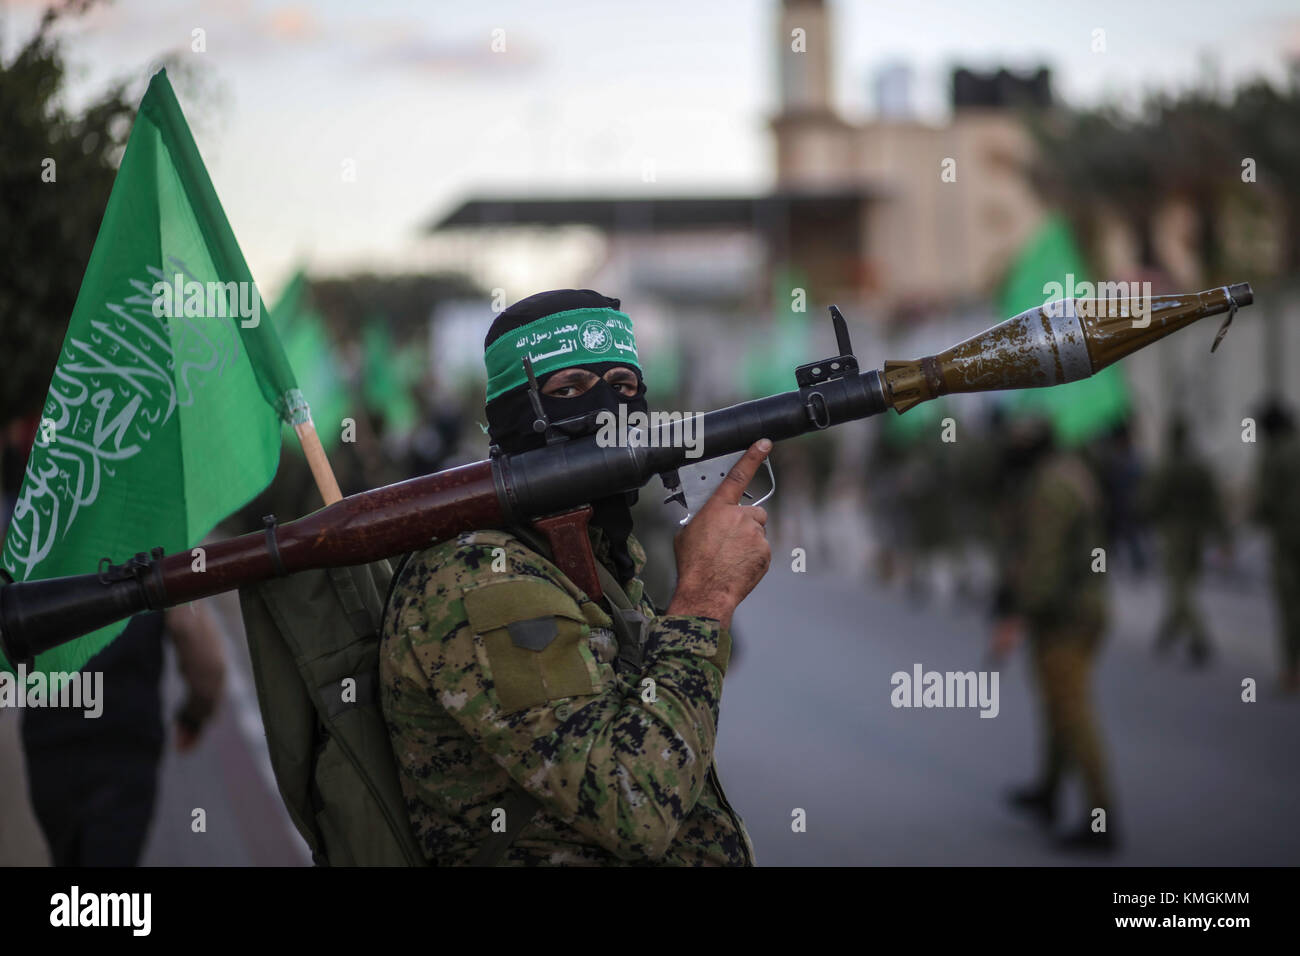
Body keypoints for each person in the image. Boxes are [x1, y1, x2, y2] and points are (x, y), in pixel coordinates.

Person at [379, 289, 769, 866]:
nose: (612, 410)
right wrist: (705, 597)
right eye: (568, 391)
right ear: (514, 418)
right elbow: (634, 807)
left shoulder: (587, 549)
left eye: (625, 386)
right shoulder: (483, 578)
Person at [990, 417, 1117, 851]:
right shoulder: (1067, 473)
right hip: (1079, 608)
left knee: (1072, 713)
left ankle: (1102, 819)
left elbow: (1043, 567)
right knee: (1057, 705)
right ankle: (1048, 790)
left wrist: (1014, 619)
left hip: (1067, 615)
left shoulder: (1048, 488)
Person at [21, 603, 226, 866]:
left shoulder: (28, 561)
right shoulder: (156, 559)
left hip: (49, 740)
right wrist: (195, 714)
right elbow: (201, 648)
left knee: (66, 853)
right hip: (126, 742)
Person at [1141, 418, 1228, 666]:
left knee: (1180, 587)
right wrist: (1223, 535)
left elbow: (1151, 501)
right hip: (1197, 532)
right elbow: (1214, 503)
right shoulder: (1200, 467)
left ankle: (1198, 634)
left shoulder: (1167, 467)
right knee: (1186, 583)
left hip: (1175, 532)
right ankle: (1168, 632)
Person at [1252, 400, 1300, 694]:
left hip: (1286, 539)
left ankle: (1291, 670)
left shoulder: (1272, 455)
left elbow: (1264, 503)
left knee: (1289, 605)